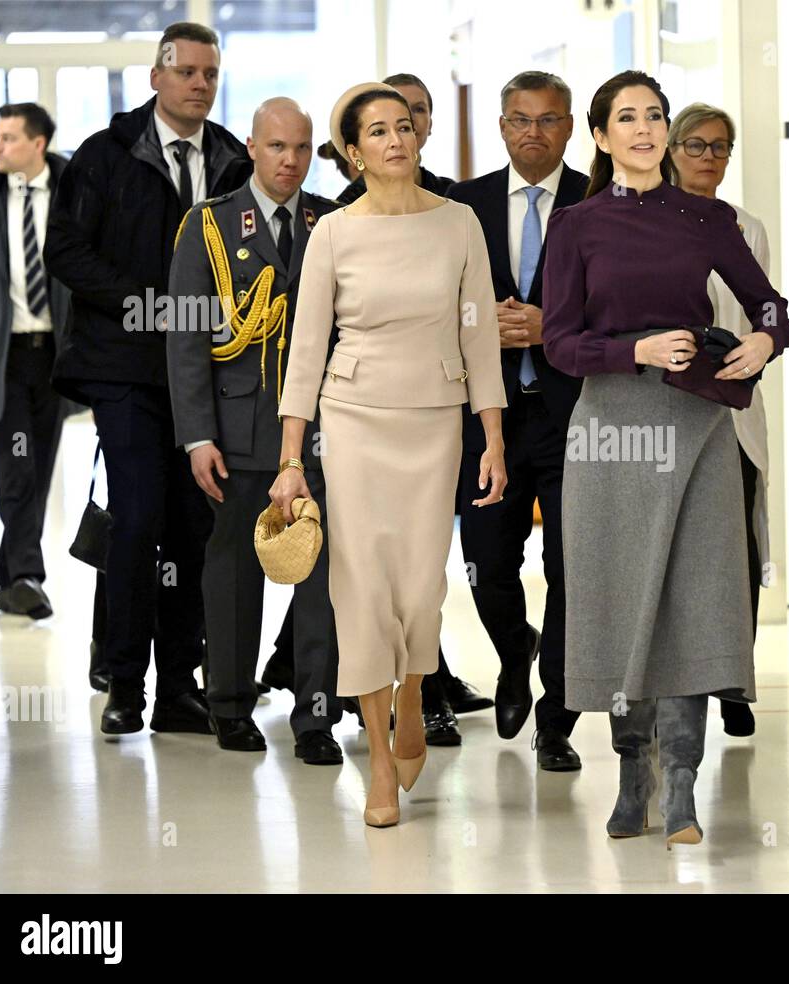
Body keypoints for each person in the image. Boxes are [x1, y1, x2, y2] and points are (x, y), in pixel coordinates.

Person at [541, 71, 789, 847]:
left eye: (654, 116)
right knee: (618, 602)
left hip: (696, 427)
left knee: (696, 603)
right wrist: (634, 349)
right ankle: (632, 777)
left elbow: (773, 308)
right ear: (602, 135)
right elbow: (557, 343)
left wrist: (762, 341)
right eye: (629, 118)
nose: (645, 129)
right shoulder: (577, 225)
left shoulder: (707, 217)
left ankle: (682, 787)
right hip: (611, 431)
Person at [271, 83, 506, 827]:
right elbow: (305, 350)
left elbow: (480, 337)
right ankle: (377, 757)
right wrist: (289, 460)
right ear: (353, 151)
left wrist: (493, 436)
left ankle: (413, 687)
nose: (396, 140)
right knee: (362, 590)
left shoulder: (459, 223)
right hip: (354, 420)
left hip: (435, 421)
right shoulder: (333, 233)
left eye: (404, 126)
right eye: (377, 131)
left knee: (421, 590)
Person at [45, 21, 254, 736]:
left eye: (210, 74)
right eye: (187, 72)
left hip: (209, 376)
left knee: (198, 528)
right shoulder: (104, 157)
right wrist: (149, 306)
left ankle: (179, 690)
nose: (200, 84)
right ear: (156, 78)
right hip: (125, 372)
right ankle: (124, 685)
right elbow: (66, 252)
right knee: (138, 520)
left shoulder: (231, 158)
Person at [167, 98, 343, 762]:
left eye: (300, 148)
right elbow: (185, 338)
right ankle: (231, 705)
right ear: (250, 146)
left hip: (322, 434)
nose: (290, 161)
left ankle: (316, 717)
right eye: (276, 147)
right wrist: (197, 436)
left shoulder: (329, 221)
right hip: (238, 432)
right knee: (234, 573)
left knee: (325, 579)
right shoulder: (209, 225)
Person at [445, 71, 588, 769]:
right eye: (520, 120)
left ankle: (557, 718)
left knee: (569, 569)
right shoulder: (461, 205)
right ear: (502, 126)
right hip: (487, 420)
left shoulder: (599, 201)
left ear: (570, 127)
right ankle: (511, 658)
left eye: (549, 119)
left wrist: (548, 326)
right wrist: (481, 326)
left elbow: (623, 309)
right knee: (488, 566)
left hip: (574, 417)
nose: (534, 132)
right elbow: (435, 303)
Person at [668, 101, 773, 739]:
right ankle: (680, 679)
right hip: (669, 411)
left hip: (733, 409)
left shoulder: (746, 227)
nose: (710, 158)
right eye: (697, 145)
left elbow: (763, 312)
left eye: (721, 147)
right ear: (672, 150)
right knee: (680, 550)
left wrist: (752, 353)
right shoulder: (648, 225)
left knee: (737, 548)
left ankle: (735, 678)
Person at [0, 103, 71, 621]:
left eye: (9, 138)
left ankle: (13, 578)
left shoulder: (73, 194)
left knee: (41, 465)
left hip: (52, 357)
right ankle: (29, 574)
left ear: (39, 144)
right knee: (17, 465)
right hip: (1, 357)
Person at [337, 73, 454, 203]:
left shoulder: (452, 193)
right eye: (379, 131)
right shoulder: (346, 204)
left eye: (418, 109)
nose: (410, 118)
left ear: (430, 124)